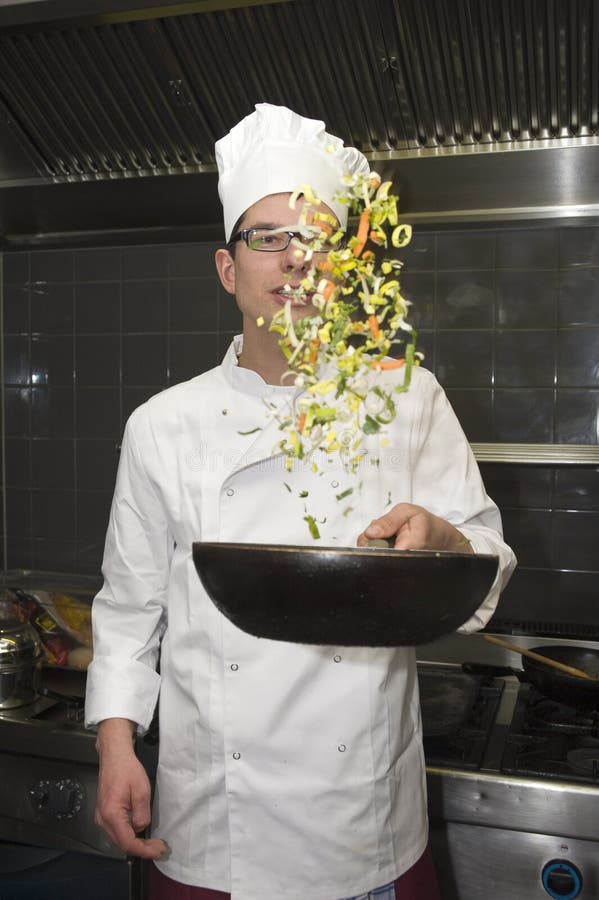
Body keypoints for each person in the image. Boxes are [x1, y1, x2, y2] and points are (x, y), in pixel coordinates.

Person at [85, 103, 516, 900]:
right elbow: (128, 610)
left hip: (365, 822)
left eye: (316, 239)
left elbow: (485, 570)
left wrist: (444, 541)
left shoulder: (406, 396)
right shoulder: (162, 425)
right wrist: (116, 746)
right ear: (227, 267)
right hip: (213, 820)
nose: (292, 260)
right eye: (267, 237)